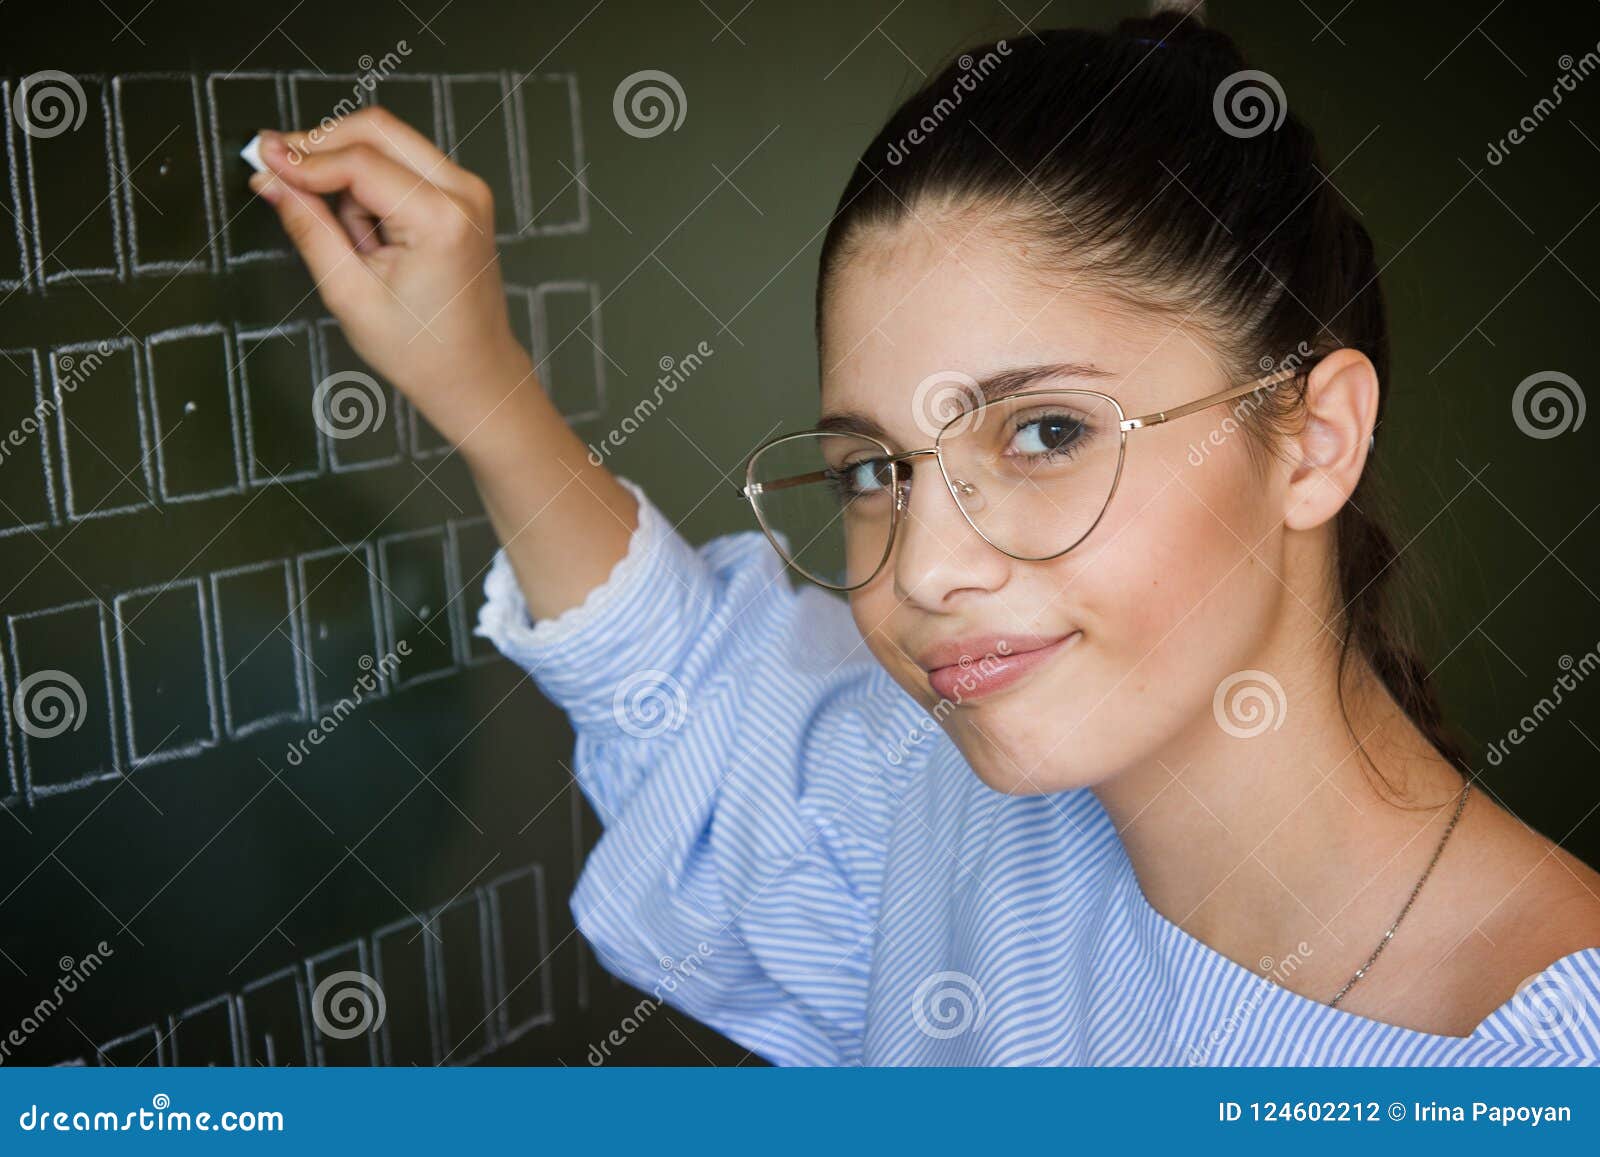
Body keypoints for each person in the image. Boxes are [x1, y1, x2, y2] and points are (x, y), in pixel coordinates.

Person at [249, 11, 1600, 1064]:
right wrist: (477, 384)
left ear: (1313, 440)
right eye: (877, 469)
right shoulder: (949, 846)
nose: (928, 568)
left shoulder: (1540, 1059)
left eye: (1045, 433)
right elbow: (700, 707)